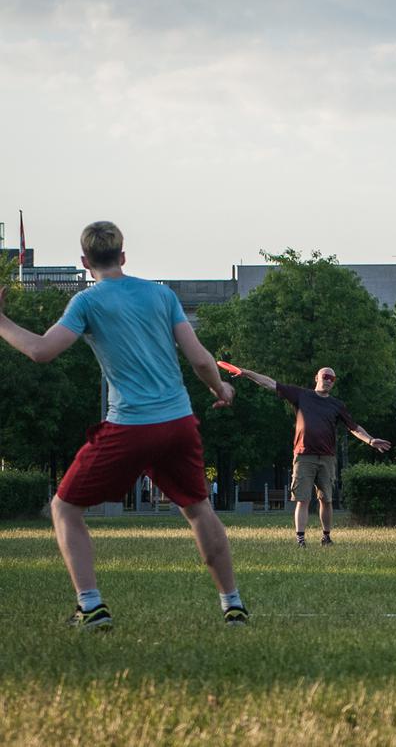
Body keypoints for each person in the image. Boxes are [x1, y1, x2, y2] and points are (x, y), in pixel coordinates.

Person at [0, 221, 248, 629]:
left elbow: (41, 351)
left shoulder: (87, 303)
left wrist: (3, 321)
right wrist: (221, 389)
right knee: (198, 509)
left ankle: (92, 605)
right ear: (124, 255)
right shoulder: (161, 294)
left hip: (131, 425)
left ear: (84, 262)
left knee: (64, 507)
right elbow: (201, 360)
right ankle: (233, 604)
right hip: (179, 422)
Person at [230, 365, 390, 547]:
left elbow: (354, 427)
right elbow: (269, 383)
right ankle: (300, 539)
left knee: (326, 499)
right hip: (304, 456)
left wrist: (370, 440)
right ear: (317, 377)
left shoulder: (337, 405)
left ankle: (326, 537)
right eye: (326, 376)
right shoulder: (301, 395)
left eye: (332, 378)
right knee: (303, 499)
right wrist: (246, 373)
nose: (329, 380)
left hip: (327, 458)